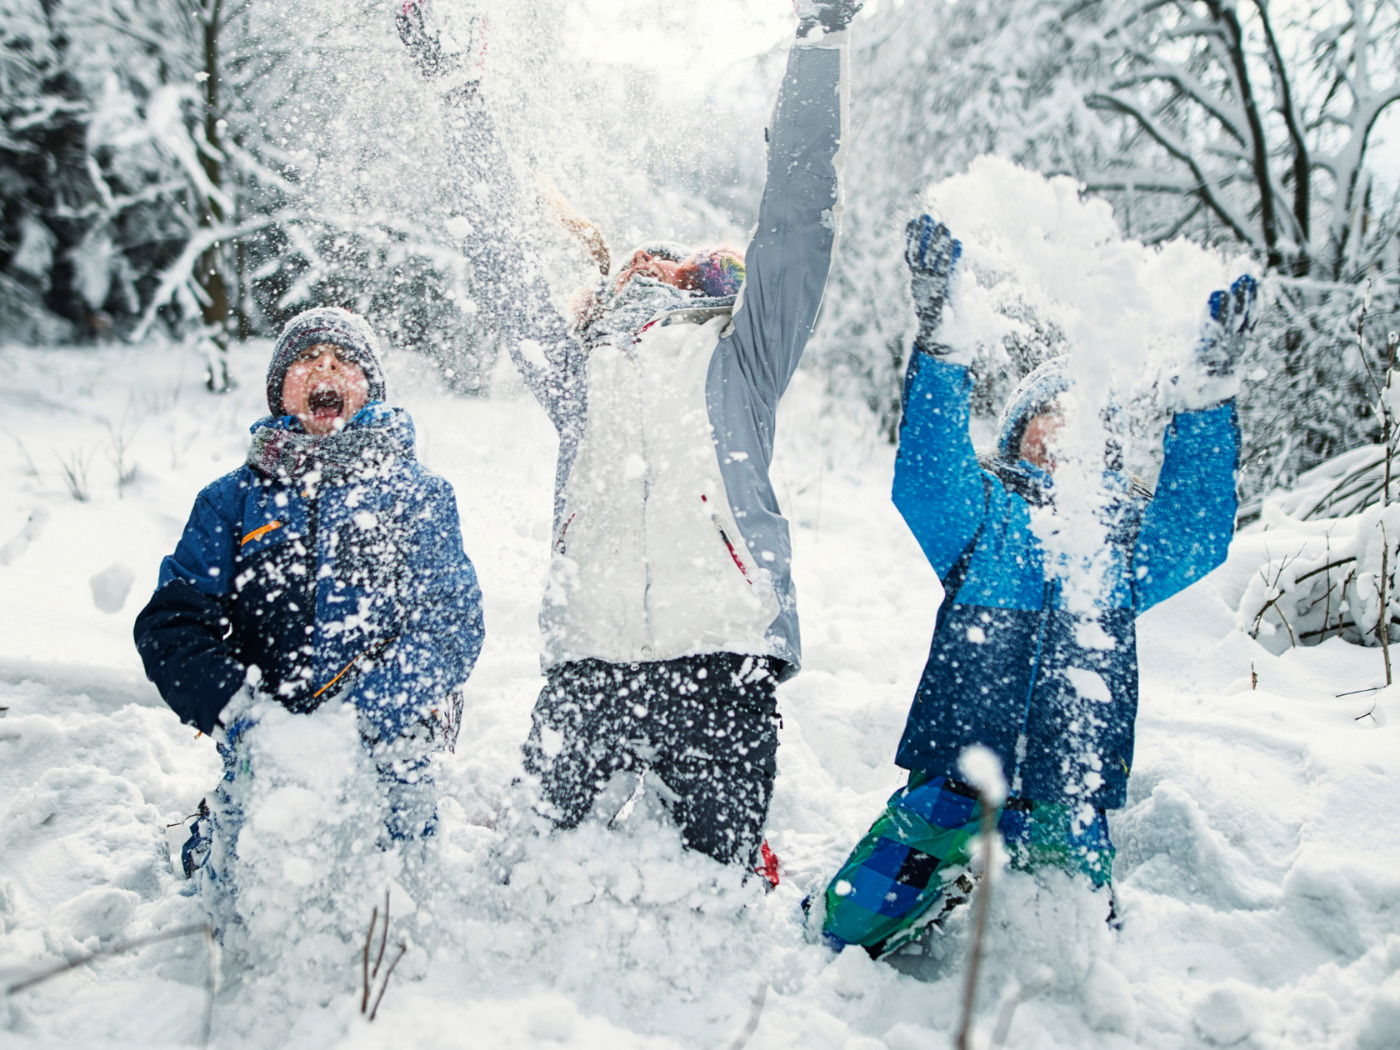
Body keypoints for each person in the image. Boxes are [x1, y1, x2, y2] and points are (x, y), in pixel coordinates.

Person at [395, 0, 857, 871]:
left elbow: (796, 219)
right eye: (639, 259)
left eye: (679, 260)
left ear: (710, 281)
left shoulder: (743, 357)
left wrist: (818, 40)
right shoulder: (577, 377)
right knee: (528, 876)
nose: (656, 264)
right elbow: (499, 260)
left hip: (722, 654)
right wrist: (458, 97)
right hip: (589, 660)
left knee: (710, 894)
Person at [819, 216, 1255, 956]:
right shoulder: (985, 513)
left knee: (1075, 954)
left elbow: (1197, 531)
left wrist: (1207, 401)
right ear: (1020, 431)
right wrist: (942, 350)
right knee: (848, 925)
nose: (1061, 429)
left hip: (1069, 784)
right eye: (1046, 415)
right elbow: (927, 478)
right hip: (960, 773)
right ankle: (935, 888)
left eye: (1081, 419)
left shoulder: (1121, 540)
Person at [134, 306, 485, 879]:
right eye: (306, 359)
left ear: (368, 388)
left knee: (390, 895)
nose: (326, 366)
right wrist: (243, 716)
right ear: (281, 394)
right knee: (239, 892)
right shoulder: (232, 501)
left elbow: (452, 626)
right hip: (266, 745)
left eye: (345, 360)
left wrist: (365, 717)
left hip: (386, 743)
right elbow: (171, 625)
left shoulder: (418, 496)